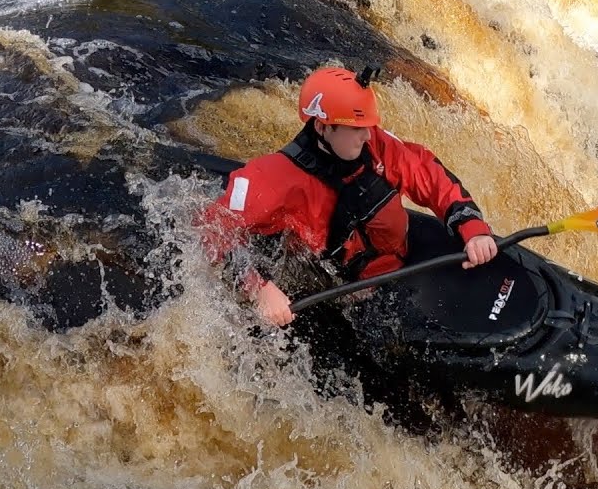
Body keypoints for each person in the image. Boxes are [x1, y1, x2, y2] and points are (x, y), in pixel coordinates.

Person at [203, 66, 498, 327]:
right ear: (322, 127)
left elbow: (428, 174)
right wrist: (259, 289)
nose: (368, 136)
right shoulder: (270, 179)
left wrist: (473, 230)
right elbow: (213, 230)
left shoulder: (375, 144)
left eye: (368, 126)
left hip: (399, 263)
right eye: (357, 129)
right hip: (344, 296)